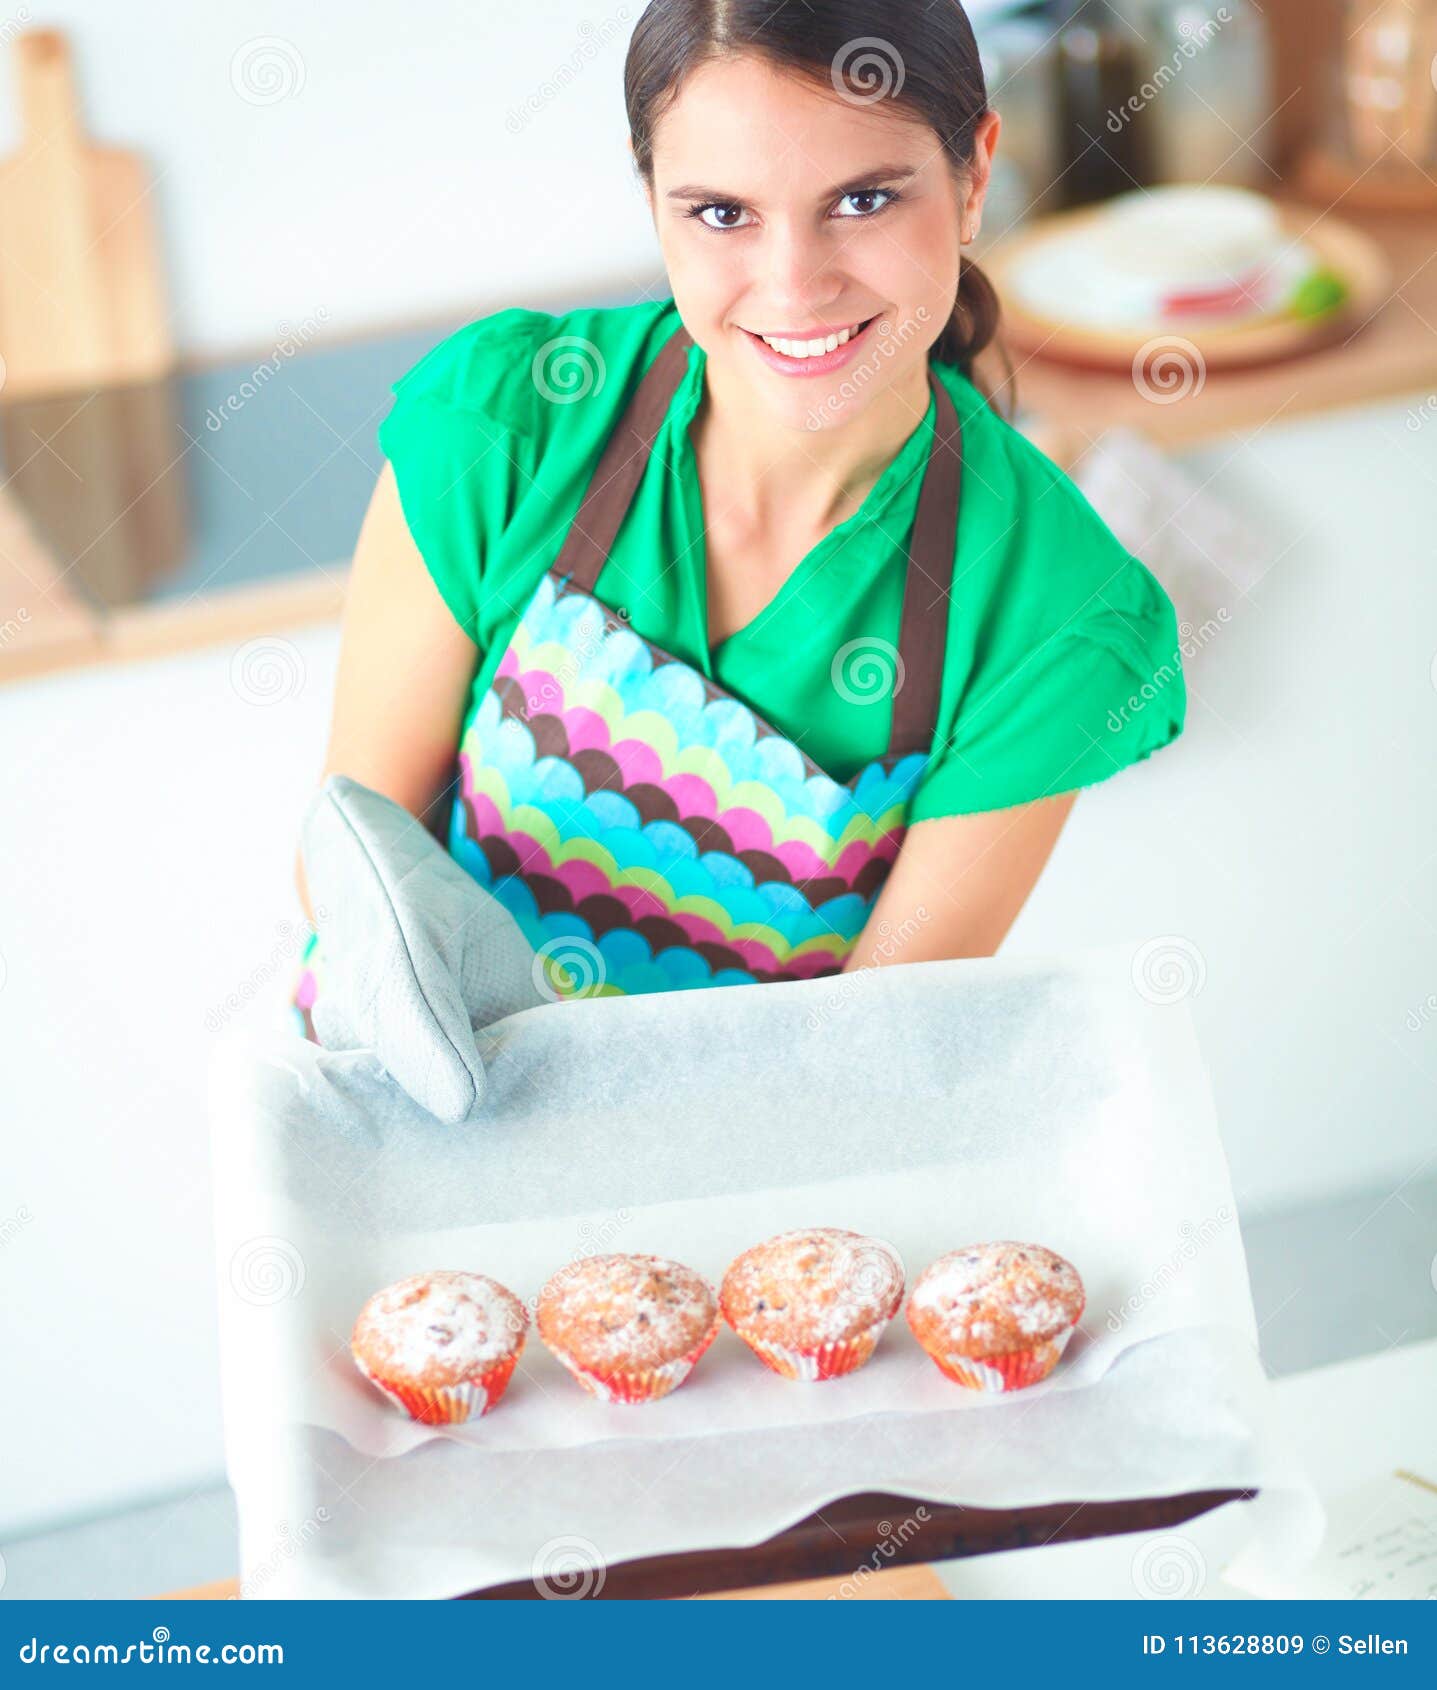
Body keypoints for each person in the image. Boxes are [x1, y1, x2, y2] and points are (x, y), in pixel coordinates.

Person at [292, 0, 1185, 1030]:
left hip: (770, 1176)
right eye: (722, 213)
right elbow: (354, 874)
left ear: (975, 174)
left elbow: (874, 1049)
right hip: (408, 1096)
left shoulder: (1052, 612)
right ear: (652, 198)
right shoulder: (504, 427)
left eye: (862, 200)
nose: (795, 285)